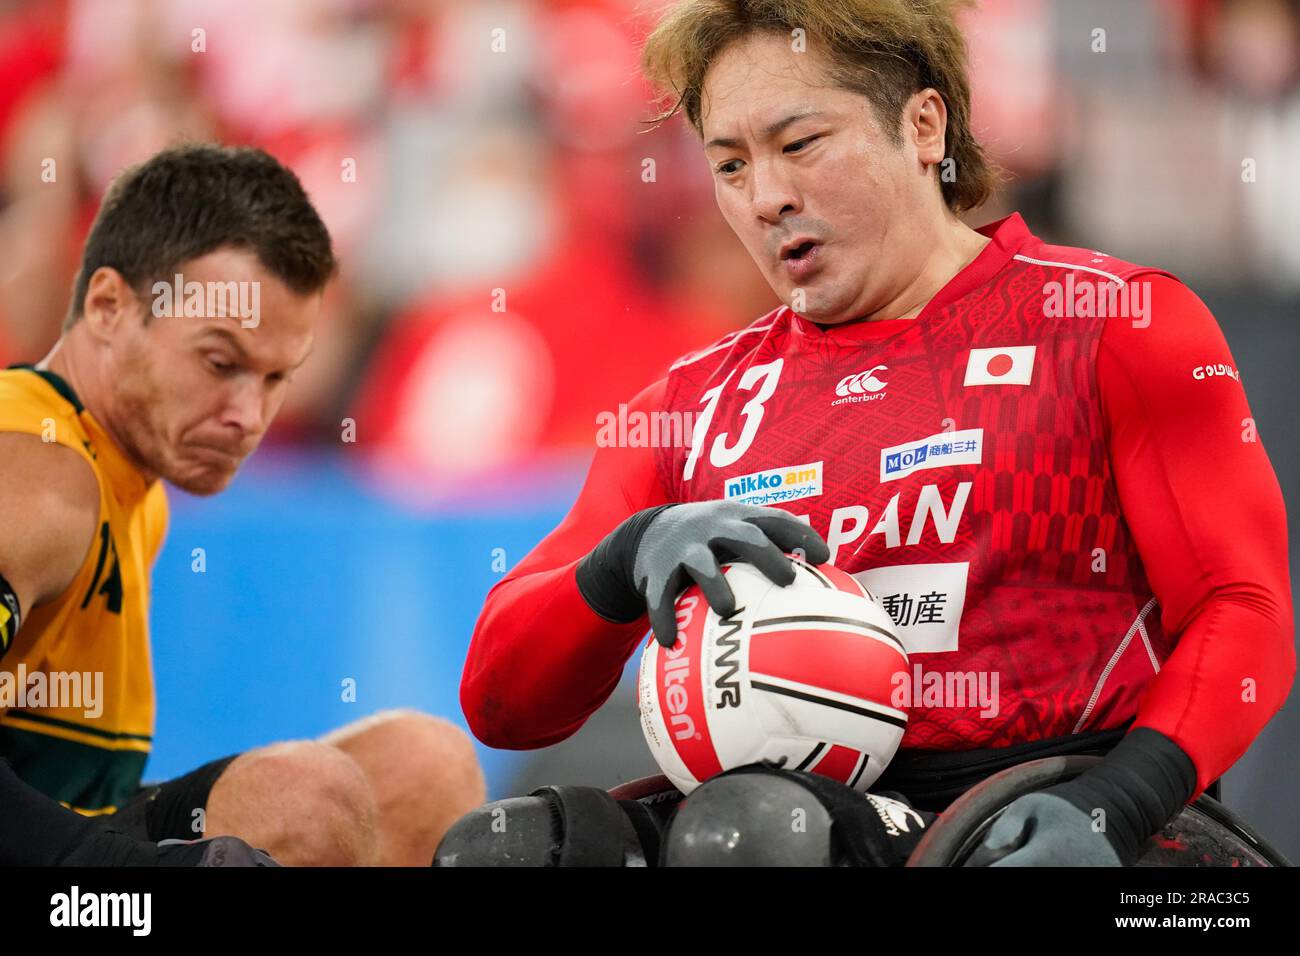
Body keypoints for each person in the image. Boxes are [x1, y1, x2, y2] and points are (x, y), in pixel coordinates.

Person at [456, 0, 1293, 866]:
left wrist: (1117, 804)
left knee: (748, 840)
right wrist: (622, 559)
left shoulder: (1112, 323)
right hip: (787, 811)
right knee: (503, 849)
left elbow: (1247, 612)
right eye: (730, 164)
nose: (767, 198)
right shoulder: (690, 405)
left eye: (800, 144)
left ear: (923, 126)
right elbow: (503, 708)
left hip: (1066, 809)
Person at [0, 143, 484, 866]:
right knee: (308, 801)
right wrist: (128, 880)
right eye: (220, 363)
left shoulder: (129, 474)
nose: (247, 416)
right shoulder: (38, 472)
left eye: (277, 377)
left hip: (68, 832)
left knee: (421, 766)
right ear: (107, 306)